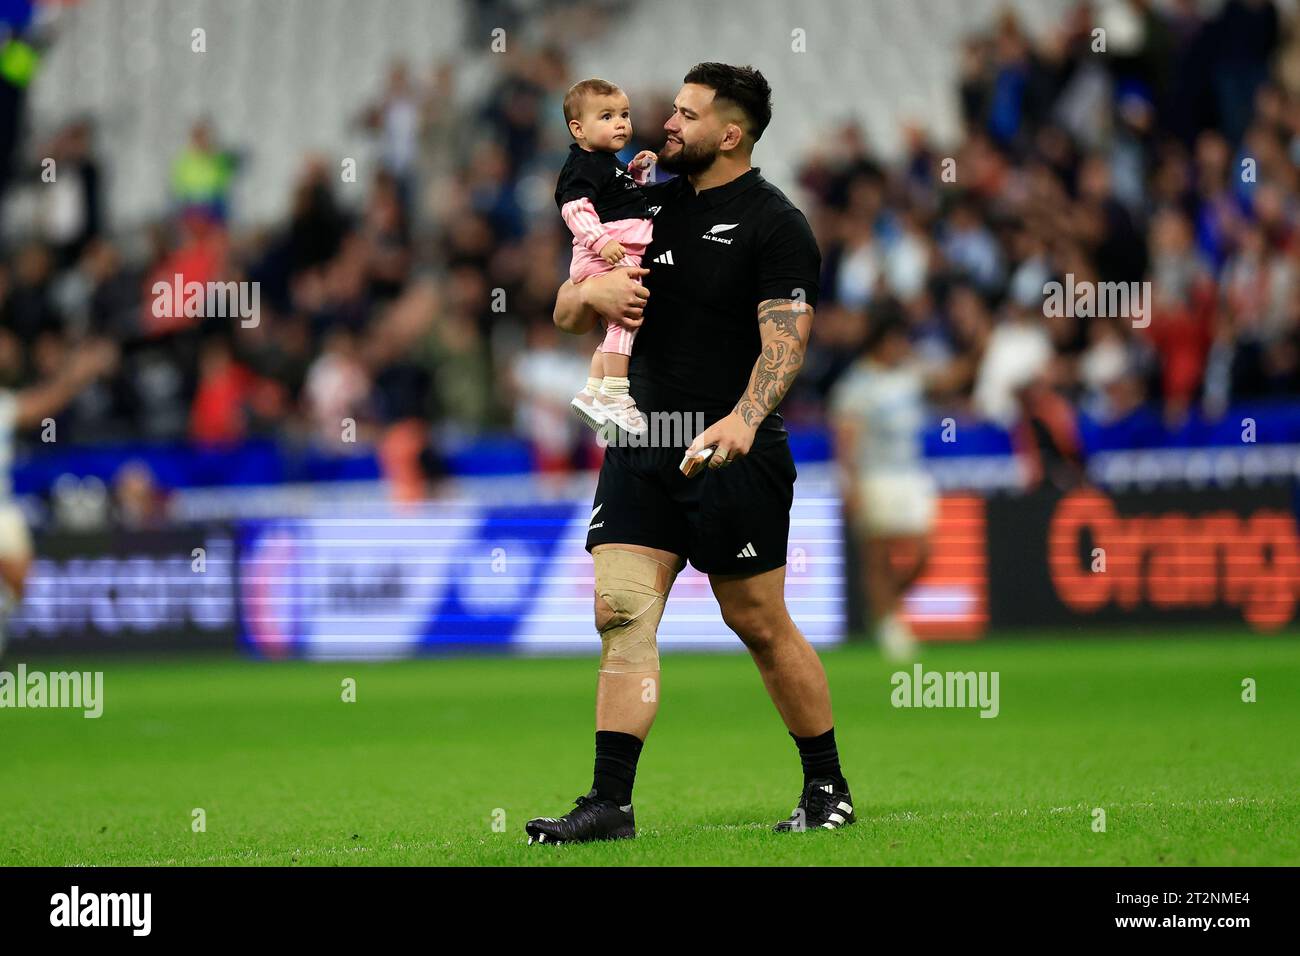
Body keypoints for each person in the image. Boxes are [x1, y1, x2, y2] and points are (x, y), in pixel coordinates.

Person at [527, 63, 855, 844]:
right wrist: (590, 297)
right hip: (641, 442)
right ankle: (611, 804)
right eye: (669, 110)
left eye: (685, 114)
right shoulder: (643, 201)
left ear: (729, 133)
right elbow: (568, 305)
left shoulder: (777, 223)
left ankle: (826, 785)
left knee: (759, 621)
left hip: (731, 452)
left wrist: (744, 418)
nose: (665, 124)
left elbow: (788, 338)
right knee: (619, 614)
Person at [829, 299, 936, 660]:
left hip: (910, 474)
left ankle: (887, 607)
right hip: (874, 476)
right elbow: (845, 439)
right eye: (896, 340)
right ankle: (888, 625)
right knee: (878, 557)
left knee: (923, 552)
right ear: (881, 342)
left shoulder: (909, 376)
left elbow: (947, 378)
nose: (902, 346)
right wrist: (850, 483)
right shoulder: (857, 384)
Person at [0, 339, 118, 659]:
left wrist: (76, 376)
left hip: (2, 508)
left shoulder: (3, 406)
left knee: (21, 583)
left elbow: (45, 402)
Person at [555, 78, 657, 436]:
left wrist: (637, 175)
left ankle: (593, 391)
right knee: (627, 319)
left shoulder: (608, 163)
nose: (620, 123)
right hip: (608, 255)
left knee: (616, 325)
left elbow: (618, 199)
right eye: (608, 116)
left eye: (625, 115)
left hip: (613, 251)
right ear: (578, 129)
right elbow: (574, 208)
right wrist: (600, 243)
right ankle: (616, 393)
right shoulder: (583, 165)